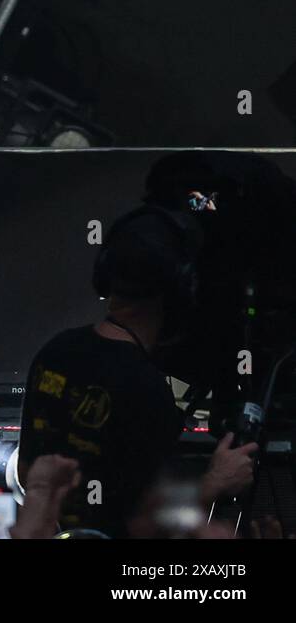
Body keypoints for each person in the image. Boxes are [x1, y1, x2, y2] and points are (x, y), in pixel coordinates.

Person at [18, 205, 257, 536]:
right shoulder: (145, 387)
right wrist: (214, 482)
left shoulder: (55, 352)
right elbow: (148, 528)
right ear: (180, 289)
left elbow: (28, 473)